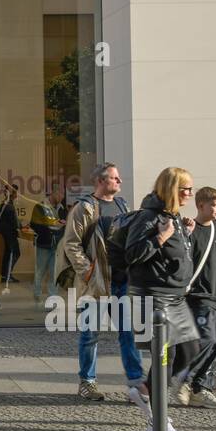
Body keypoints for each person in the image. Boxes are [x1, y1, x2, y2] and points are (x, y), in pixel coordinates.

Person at [55, 162, 141, 402]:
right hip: (96, 282)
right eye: (115, 178)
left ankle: (137, 384)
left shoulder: (122, 204)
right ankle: (87, 383)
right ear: (101, 181)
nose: (120, 182)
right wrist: (88, 271)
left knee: (128, 333)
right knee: (90, 334)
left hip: (122, 280)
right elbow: (71, 243)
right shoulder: (84, 208)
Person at [124, 167, 199, 431]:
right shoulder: (149, 217)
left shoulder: (173, 217)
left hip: (174, 297)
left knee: (190, 350)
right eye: (185, 189)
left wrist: (185, 234)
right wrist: (161, 237)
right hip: (151, 297)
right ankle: (158, 421)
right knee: (163, 357)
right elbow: (133, 254)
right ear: (171, 189)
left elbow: (173, 257)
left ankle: (145, 389)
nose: (190, 193)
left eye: (190, 188)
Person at [180, 187, 216, 409]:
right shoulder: (191, 231)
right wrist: (186, 233)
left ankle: (201, 388)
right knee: (207, 340)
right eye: (214, 205)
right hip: (198, 296)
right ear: (200, 206)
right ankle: (188, 381)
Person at [29, 184, 66, 302]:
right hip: (44, 244)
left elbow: (64, 224)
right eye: (60, 194)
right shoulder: (40, 207)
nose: (62, 197)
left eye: (63, 194)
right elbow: (33, 224)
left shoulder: (62, 208)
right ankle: (37, 292)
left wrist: (61, 225)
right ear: (54, 193)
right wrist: (50, 226)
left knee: (54, 272)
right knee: (40, 270)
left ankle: (52, 297)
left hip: (57, 245)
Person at [0, 184, 22, 286]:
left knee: (8, 253)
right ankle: (7, 275)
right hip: (10, 233)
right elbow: (15, 222)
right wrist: (21, 225)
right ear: (13, 193)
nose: (17, 195)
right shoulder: (10, 206)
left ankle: (5, 275)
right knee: (15, 253)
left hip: (5, 233)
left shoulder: (4, 204)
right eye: (16, 192)